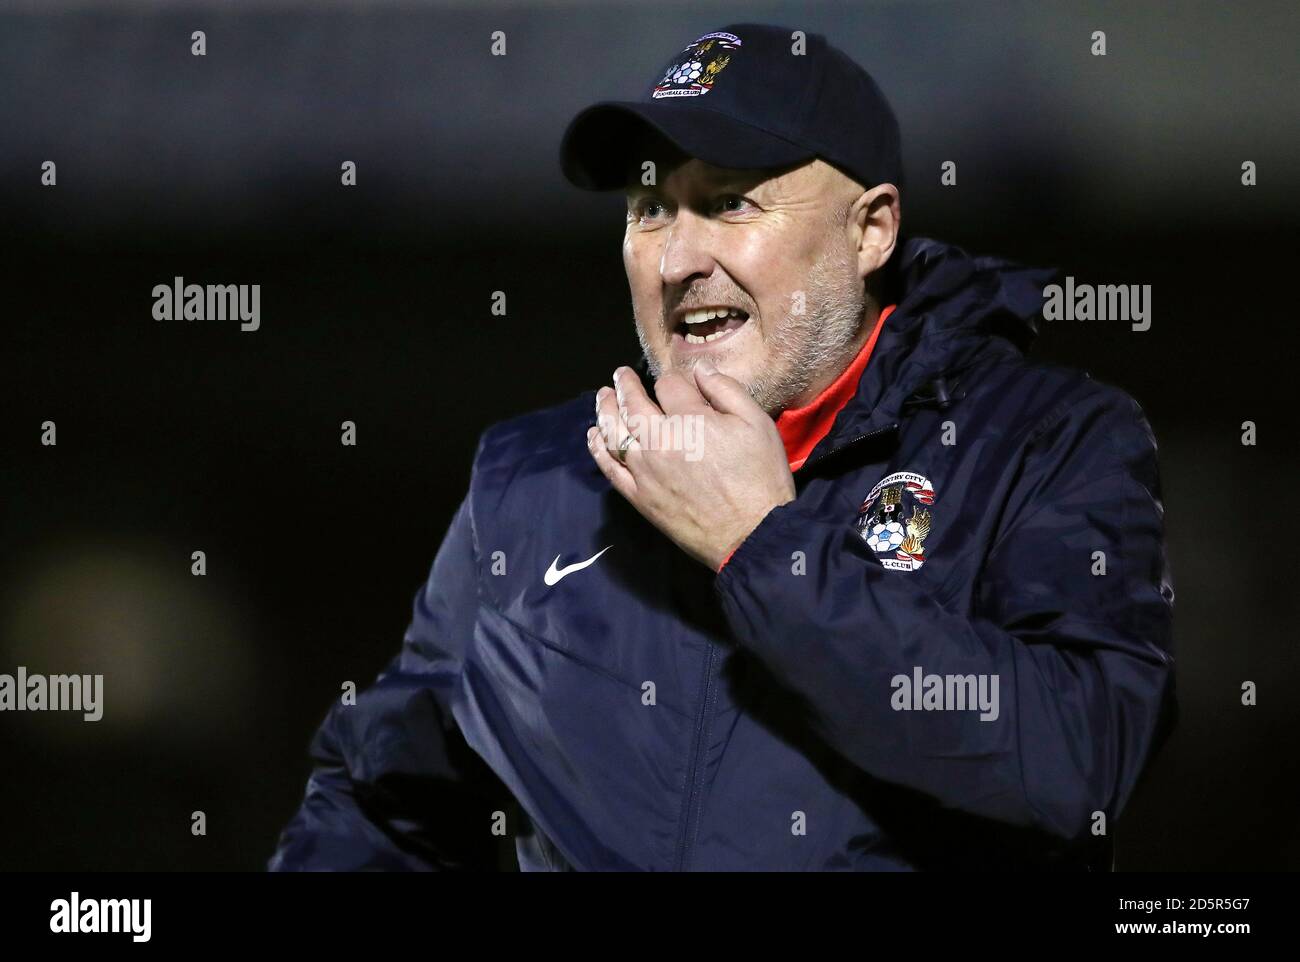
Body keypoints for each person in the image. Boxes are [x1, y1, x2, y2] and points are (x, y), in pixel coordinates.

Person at [269, 22, 1176, 871]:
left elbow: (1074, 762)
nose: (675, 261)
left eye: (730, 201)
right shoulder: (534, 481)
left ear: (871, 229)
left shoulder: (1043, 441)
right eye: (652, 208)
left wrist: (763, 547)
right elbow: (381, 802)